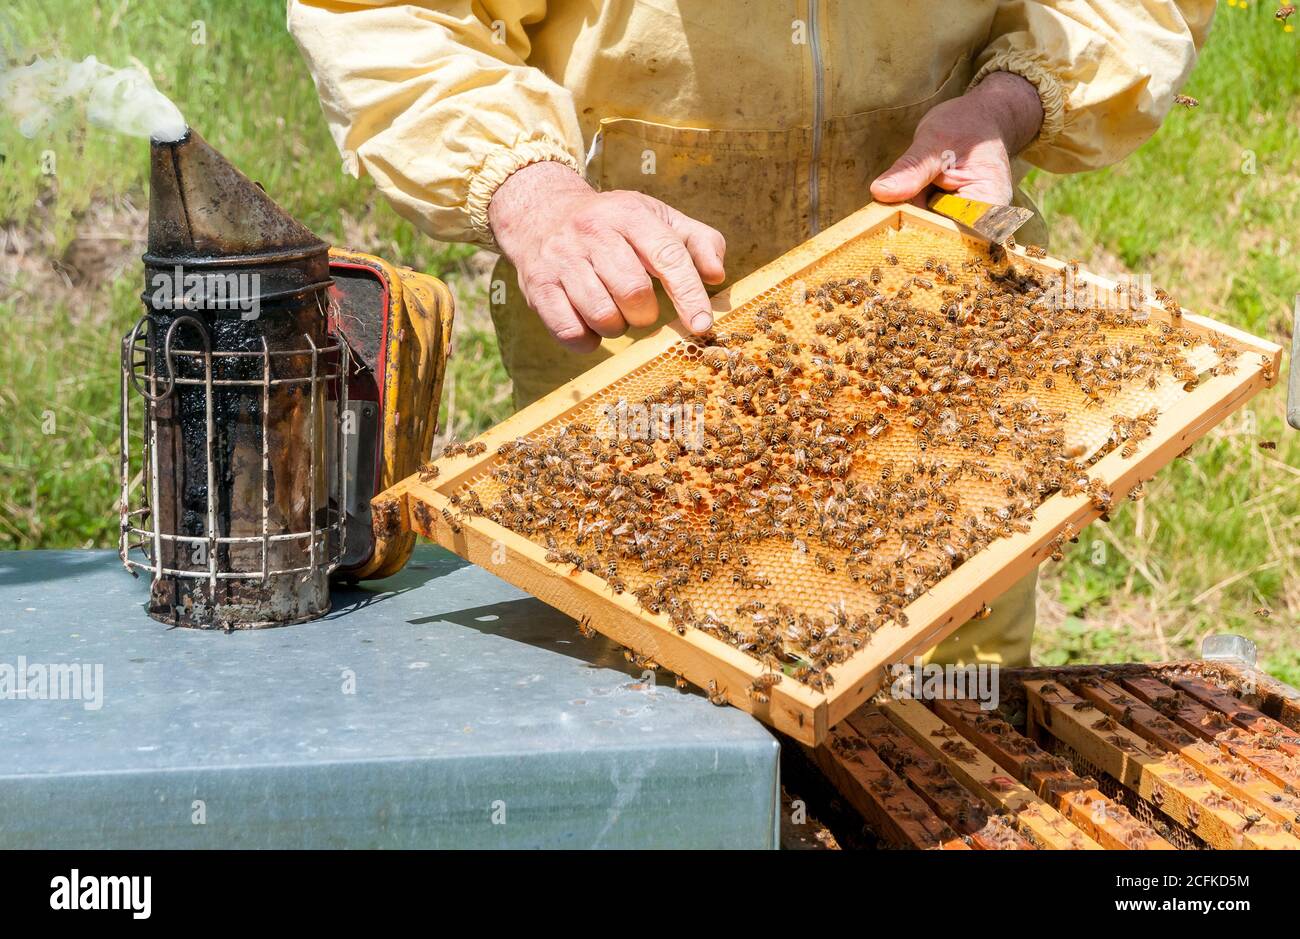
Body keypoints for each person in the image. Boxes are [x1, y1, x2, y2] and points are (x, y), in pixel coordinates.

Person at [289, 0, 1214, 667]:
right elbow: (390, 17)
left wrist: (1004, 104)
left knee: (939, 734)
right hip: (649, 360)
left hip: (938, 339)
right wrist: (532, 191)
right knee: (655, 729)